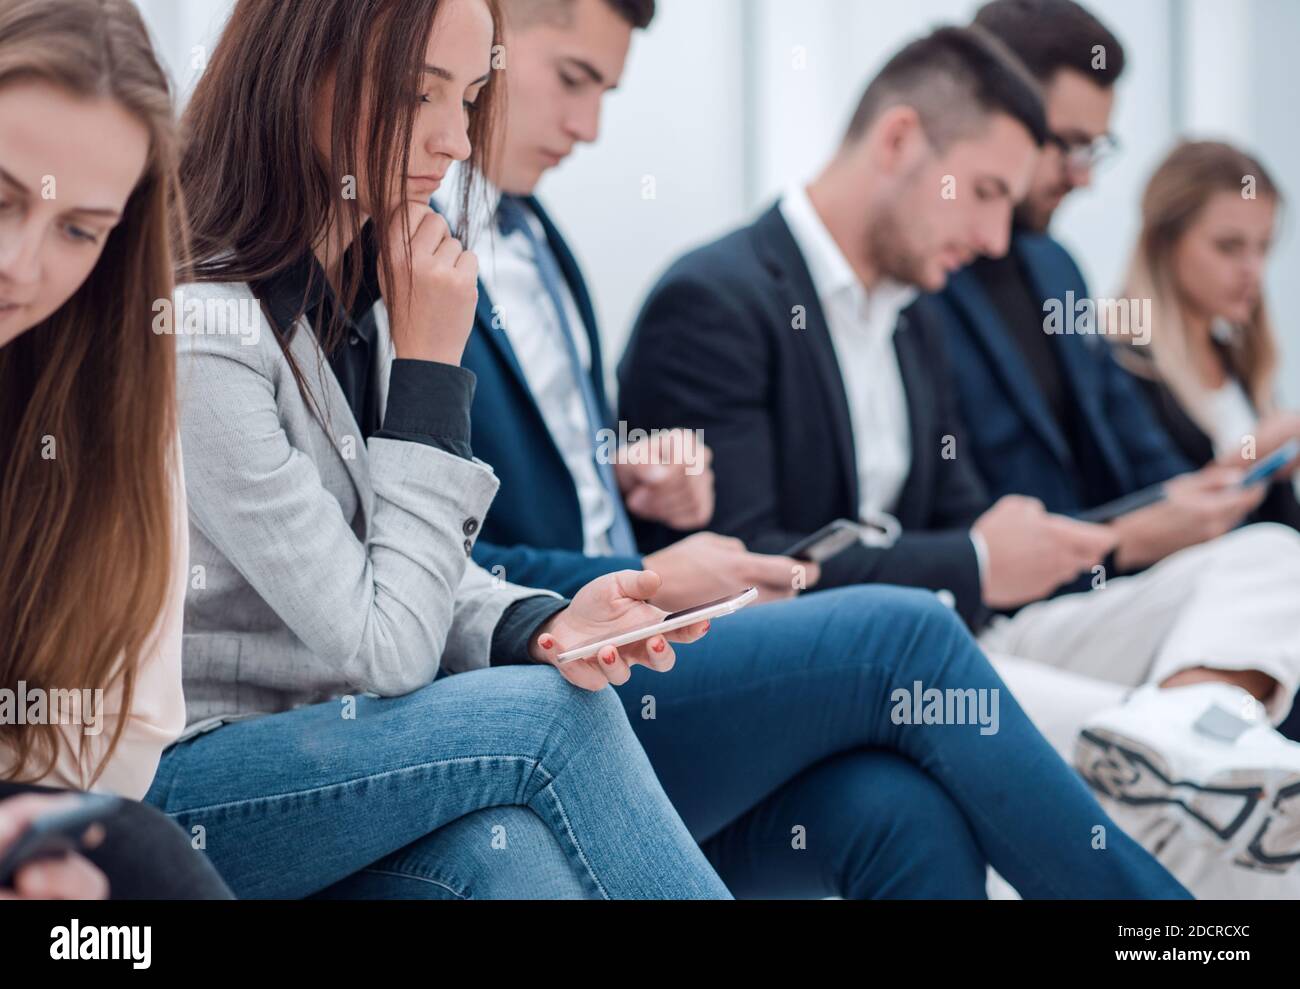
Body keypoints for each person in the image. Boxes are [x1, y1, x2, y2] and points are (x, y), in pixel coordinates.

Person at [440, 0, 1193, 900]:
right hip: (546, 662)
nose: (590, 127)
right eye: (574, 79)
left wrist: (637, 478)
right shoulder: (416, 256)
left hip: (632, 638)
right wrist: (646, 570)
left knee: (901, 814)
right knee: (904, 635)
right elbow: (428, 546)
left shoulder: (540, 241)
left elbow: (548, 477)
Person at [617, 12, 1300, 894]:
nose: (994, 237)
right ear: (901, 140)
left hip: (976, 630)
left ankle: (1192, 729)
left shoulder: (913, 320)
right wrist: (977, 556)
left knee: (1271, 561)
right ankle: (1186, 787)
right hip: (873, 661)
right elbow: (744, 570)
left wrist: (1014, 540)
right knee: (1233, 800)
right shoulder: (718, 297)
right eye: (983, 192)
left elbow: (959, 524)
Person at [143, 0, 731, 901]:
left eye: (471, 96)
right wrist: (428, 373)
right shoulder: (206, 331)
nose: (456, 140)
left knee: (508, 856)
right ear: (302, 70)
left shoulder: (359, 287)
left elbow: (381, 559)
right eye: (420, 94)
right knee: (553, 719)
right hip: (185, 785)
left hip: (316, 761)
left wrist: (537, 622)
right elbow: (384, 646)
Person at [0, 0, 230, 899]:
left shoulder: (109, 390)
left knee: (122, 869)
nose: (22, 264)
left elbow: (125, 730)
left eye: (78, 230)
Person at [1111, 141, 1300, 532]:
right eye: (1228, 247)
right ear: (1164, 243)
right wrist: (1251, 459)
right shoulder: (1121, 369)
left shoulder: (1241, 363)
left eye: (1263, 247)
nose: (1253, 270)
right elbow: (1148, 524)